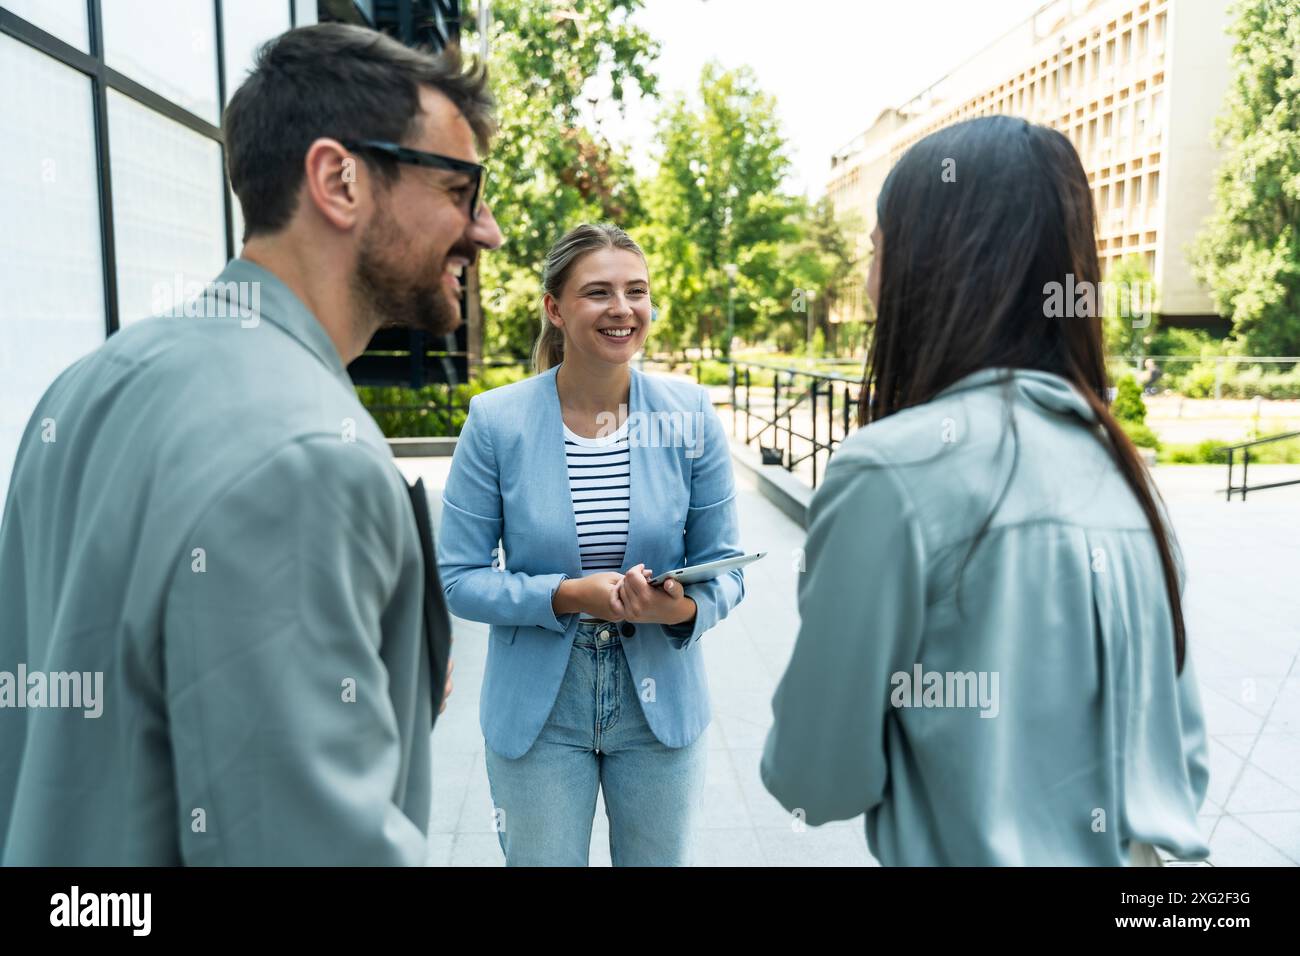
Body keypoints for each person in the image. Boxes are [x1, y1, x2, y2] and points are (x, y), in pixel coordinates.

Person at [0, 23, 502, 865]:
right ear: (339, 180)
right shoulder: (312, 458)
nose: (485, 230)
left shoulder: (86, 387)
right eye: (461, 189)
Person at [760, 115, 1209, 866]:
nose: (870, 281)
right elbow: (1181, 767)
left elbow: (816, 778)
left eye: (878, 250)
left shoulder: (890, 473)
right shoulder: (1130, 478)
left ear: (929, 263)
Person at [437, 223, 745, 866]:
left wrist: (681, 610)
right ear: (554, 307)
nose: (622, 309)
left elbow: (729, 571)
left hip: (659, 694)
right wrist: (568, 594)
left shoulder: (690, 414)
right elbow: (458, 577)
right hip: (541, 708)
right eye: (597, 292)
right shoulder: (495, 421)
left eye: (637, 291)